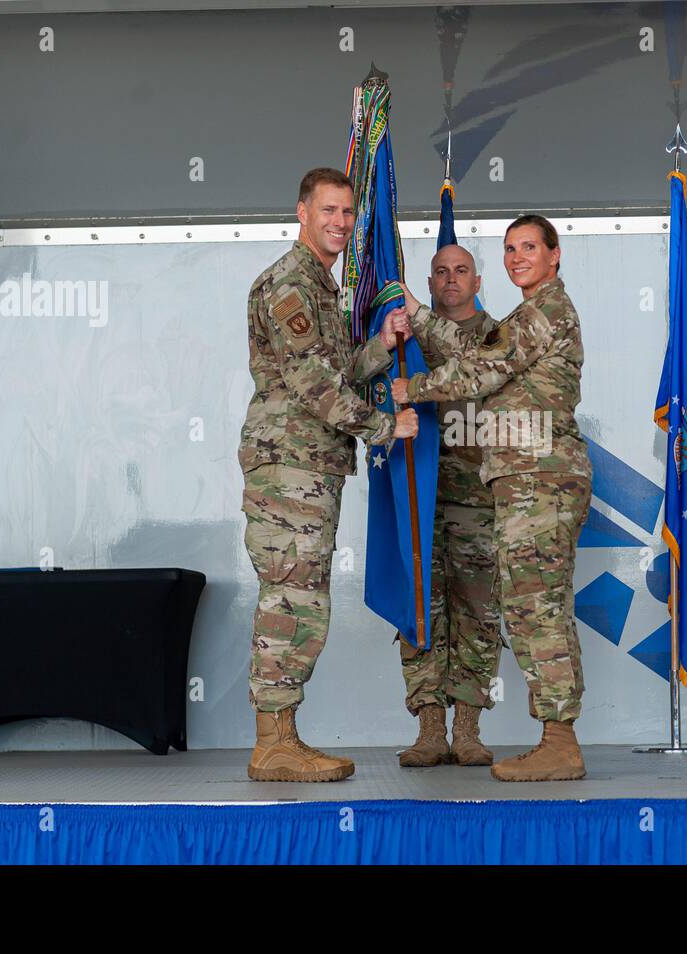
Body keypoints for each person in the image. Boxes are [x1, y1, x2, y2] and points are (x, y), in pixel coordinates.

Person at [391, 214, 593, 782]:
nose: (517, 256)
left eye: (529, 247)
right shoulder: (526, 315)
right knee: (536, 607)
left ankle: (559, 742)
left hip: (540, 479)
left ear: (555, 255)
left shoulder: (545, 310)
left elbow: (478, 368)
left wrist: (416, 388)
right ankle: (557, 739)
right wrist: (421, 315)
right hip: (527, 481)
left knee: (536, 609)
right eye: (509, 248)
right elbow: (471, 345)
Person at [239, 167, 416, 782]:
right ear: (302, 212)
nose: (340, 223)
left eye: (347, 213)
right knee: (292, 599)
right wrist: (382, 427)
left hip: (308, 467)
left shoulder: (320, 285)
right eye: (328, 211)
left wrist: (381, 346)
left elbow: (334, 369)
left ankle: (283, 737)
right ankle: (272, 744)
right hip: (290, 469)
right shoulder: (292, 283)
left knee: (302, 600)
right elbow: (314, 386)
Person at [394, 244, 504, 768]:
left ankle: (468, 726)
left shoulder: (499, 336)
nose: (451, 280)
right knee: (420, 610)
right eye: (441, 273)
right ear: (429, 282)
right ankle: (429, 727)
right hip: (419, 494)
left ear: (477, 281)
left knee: (478, 611)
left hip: (478, 500)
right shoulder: (405, 340)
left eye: (461, 271)